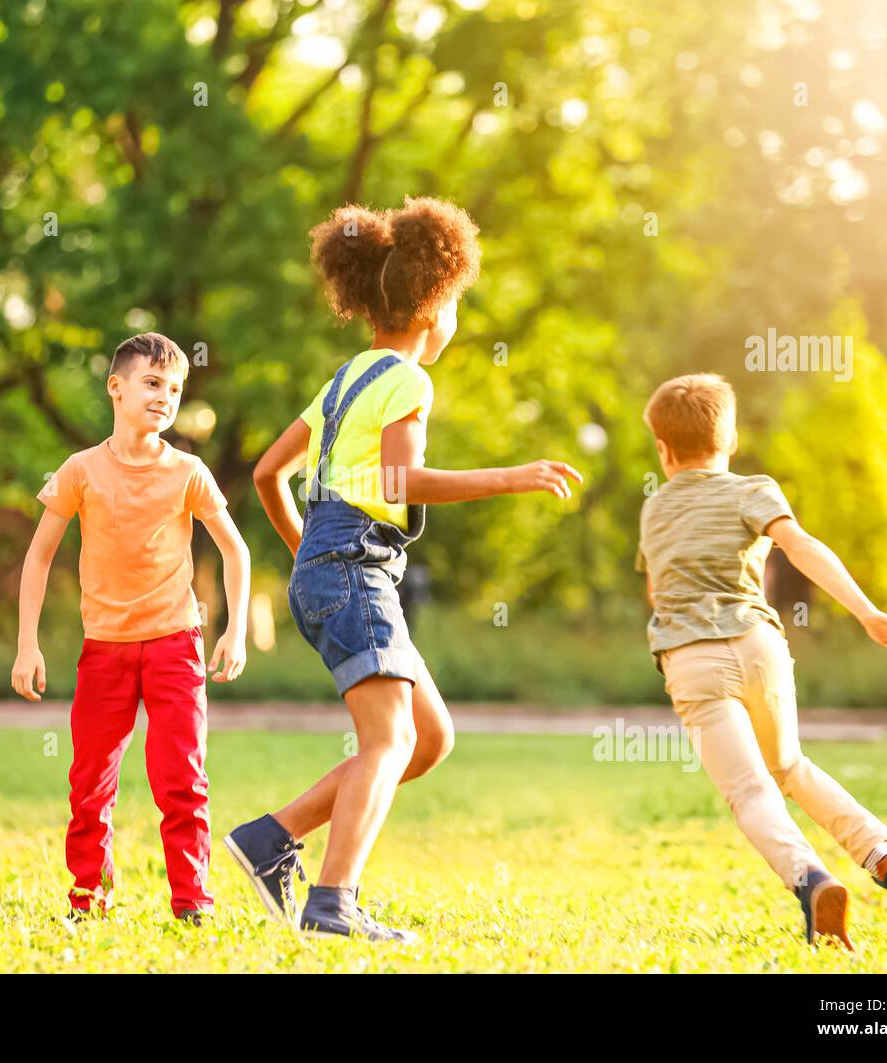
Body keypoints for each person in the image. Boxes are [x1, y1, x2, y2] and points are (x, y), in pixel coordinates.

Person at [226, 197, 581, 942]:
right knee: (387, 743)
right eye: (454, 304)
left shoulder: (347, 376)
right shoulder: (409, 381)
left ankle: (271, 837)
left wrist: (307, 552)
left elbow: (267, 473)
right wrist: (509, 475)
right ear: (432, 307)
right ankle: (332, 901)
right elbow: (397, 484)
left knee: (427, 737)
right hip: (355, 564)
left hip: (339, 564)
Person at [636, 372, 887, 949]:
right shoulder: (754, 489)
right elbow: (801, 546)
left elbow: (658, 591)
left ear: (663, 448)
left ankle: (811, 879)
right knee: (791, 768)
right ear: (730, 439)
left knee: (751, 791)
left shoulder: (655, 510)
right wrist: (868, 612)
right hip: (760, 647)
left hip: (694, 659)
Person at [12, 333, 249, 924]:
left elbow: (235, 551)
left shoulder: (188, 472)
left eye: (174, 389)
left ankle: (192, 902)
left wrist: (234, 629)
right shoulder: (80, 471)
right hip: (105, 651)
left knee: (181, 779)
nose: (164, 397)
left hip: (175, 645)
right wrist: (27, 644)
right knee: (89, 782)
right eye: (151, 383)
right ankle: (90, 898)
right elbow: (39, 556)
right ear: (115, 387)